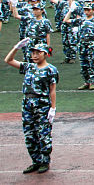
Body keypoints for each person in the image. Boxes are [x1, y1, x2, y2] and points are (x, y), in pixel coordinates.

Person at [6, 39, 57, 174]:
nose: (34, 55)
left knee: (43, 134)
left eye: (37, 53)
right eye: (33, 53)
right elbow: (9, 60)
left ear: (45, 54)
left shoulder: (51, 70)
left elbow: (52, 90)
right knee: (29, 134)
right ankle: (36, 161)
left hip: (42, 105)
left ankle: (45, 161)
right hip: (27, 104)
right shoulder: (29, 67)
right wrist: (16, 47)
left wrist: (53, 108)